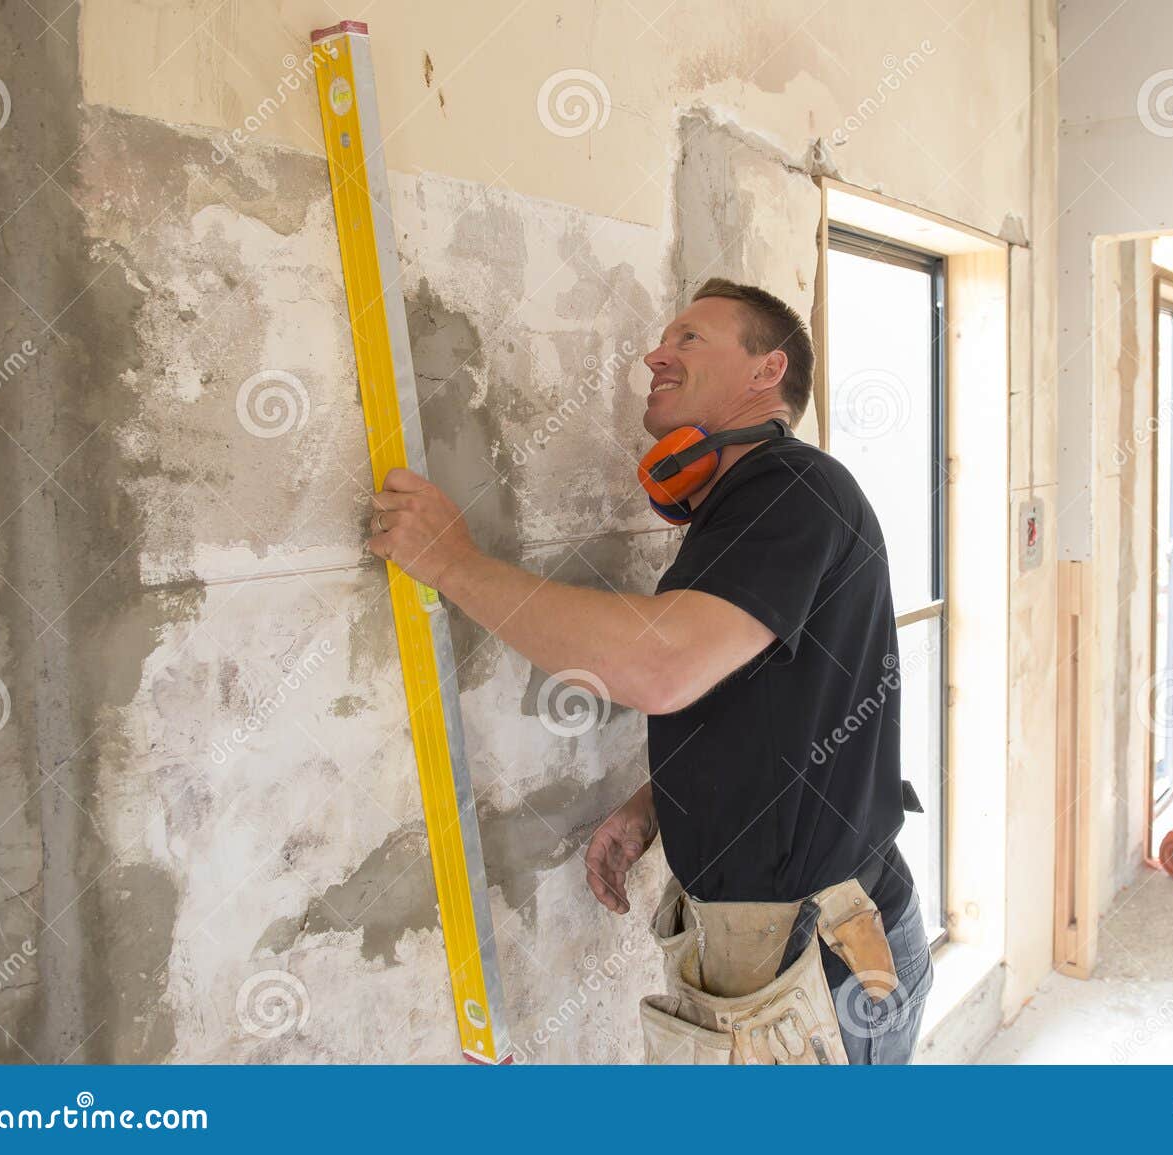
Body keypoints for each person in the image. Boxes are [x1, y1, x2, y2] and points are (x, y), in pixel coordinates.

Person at [367, 277, 932, 1063]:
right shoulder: (750, 503)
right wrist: (653, 805)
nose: (654, 354)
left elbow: (659, 665)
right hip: (791, 946)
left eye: (689, 338)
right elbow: (769, 702)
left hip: (819, 958)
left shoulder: (791, 486)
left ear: (766, 371)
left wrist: (452, 563)